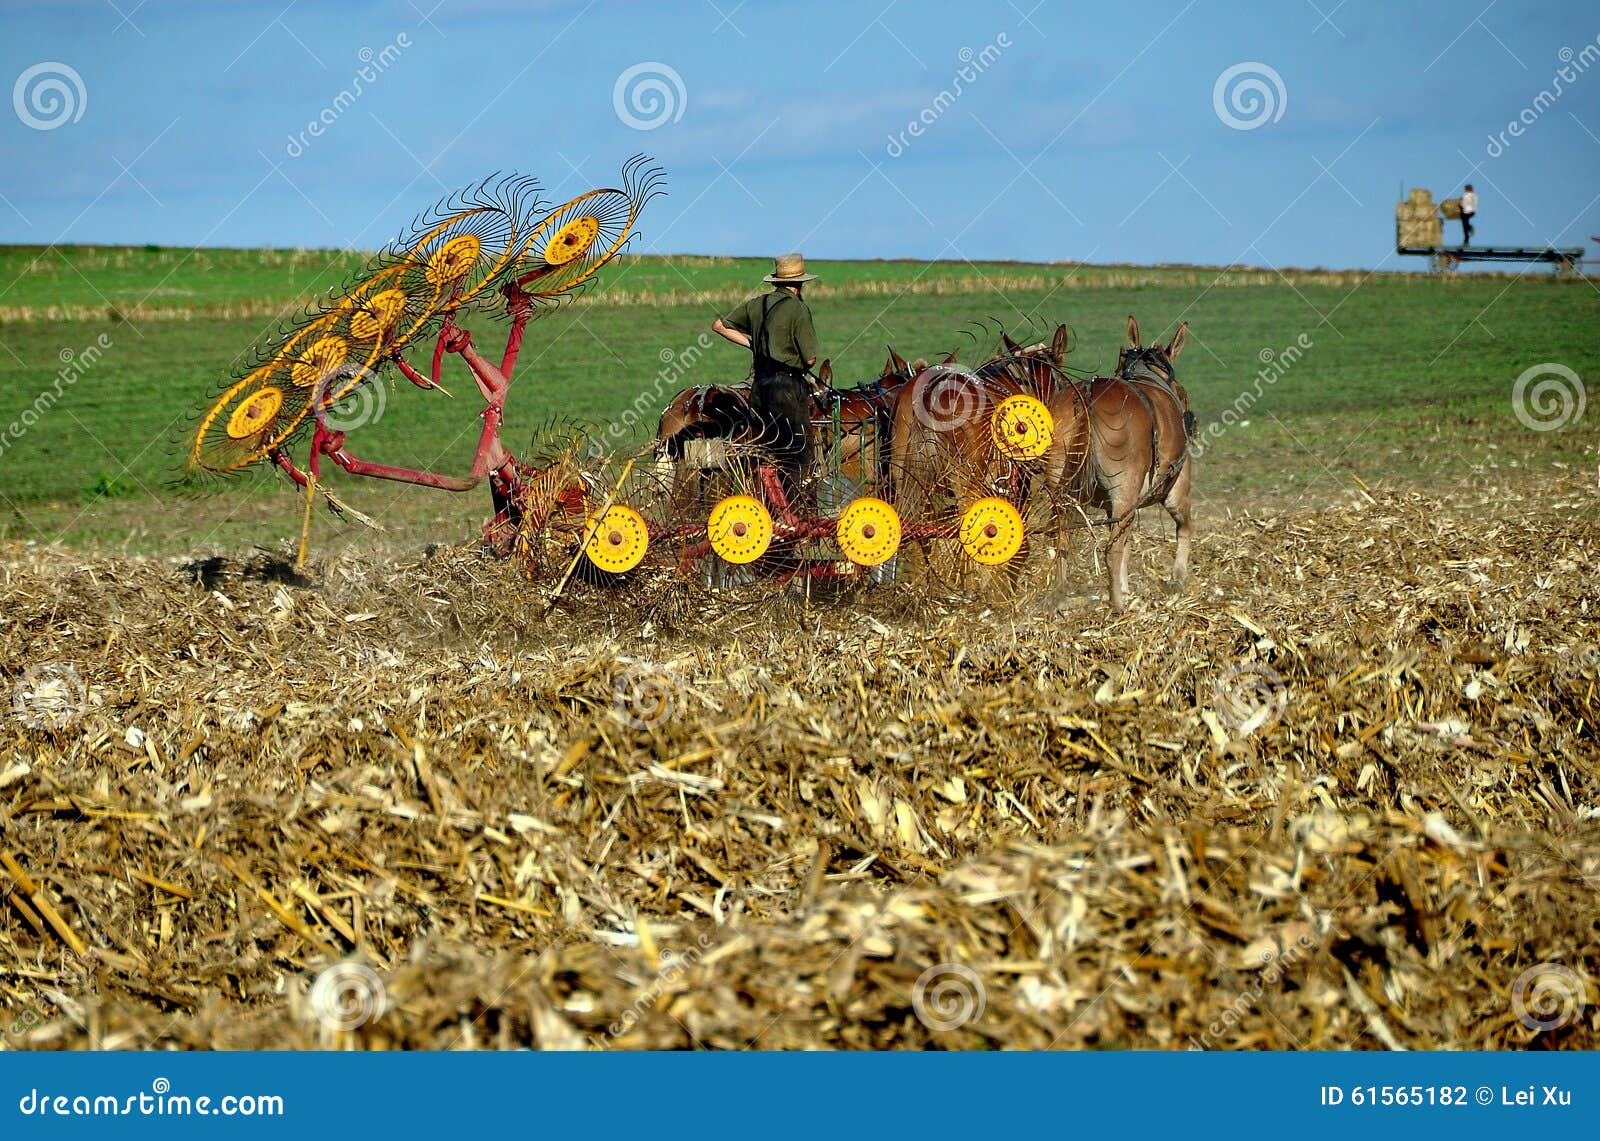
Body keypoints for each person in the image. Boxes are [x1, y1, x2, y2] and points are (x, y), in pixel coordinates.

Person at [711, 252, 821, 497]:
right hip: (787, 388)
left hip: (759, 388)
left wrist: (754, 345)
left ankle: (768, 503)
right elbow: (810, 359)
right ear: (800, 283)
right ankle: (797, 510)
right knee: (798, 452)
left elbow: (719, 325)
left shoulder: (757, 304)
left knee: (766, 451)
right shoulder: (798, 309)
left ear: (776, 282)